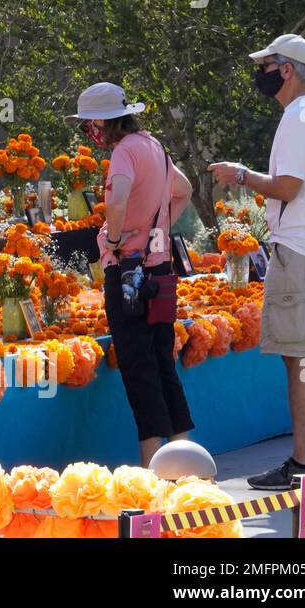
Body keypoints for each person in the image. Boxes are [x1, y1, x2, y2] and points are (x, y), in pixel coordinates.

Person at [210, 34, 305, 490]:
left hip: (300, 255)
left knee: (301, 359)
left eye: (268, 64)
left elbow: (288, 187)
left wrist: (239, 174)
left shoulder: (297, 117)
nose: (263, 72)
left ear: (287, 70)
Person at [70, 82, 195, 464]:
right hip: (160, 271)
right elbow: (184, 190)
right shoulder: (154, 146)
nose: (88, 133)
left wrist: (115, 236)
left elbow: (119, 199)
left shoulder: (124, 153)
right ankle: (185, 461)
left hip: (127, 274)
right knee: (163, 366)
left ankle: (152, 469)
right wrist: (159, 228)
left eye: (89, 125)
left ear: (104, 123)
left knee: (139, 372)